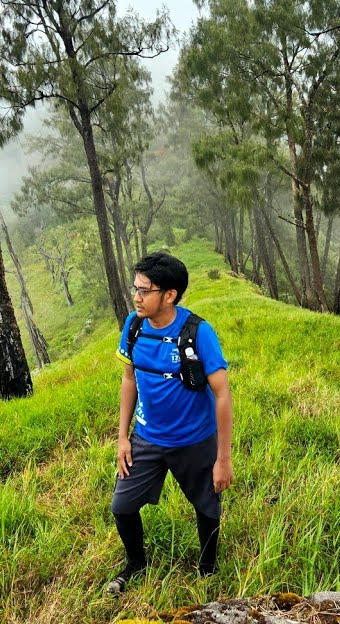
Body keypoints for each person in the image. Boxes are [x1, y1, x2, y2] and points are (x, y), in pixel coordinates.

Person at [106, 251, 234, 596]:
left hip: (195, 439)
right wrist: (122, 438)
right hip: (147, 438)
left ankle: (207, 569)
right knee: (122, 506)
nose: (136, 296)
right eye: (135, 288)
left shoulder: (198, 332)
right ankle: (136, 564)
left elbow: (222, 394)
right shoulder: (133, 327)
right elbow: (129, 379)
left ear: (169, 295)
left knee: (207, 505)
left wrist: (223, 459)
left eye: (144, 290)